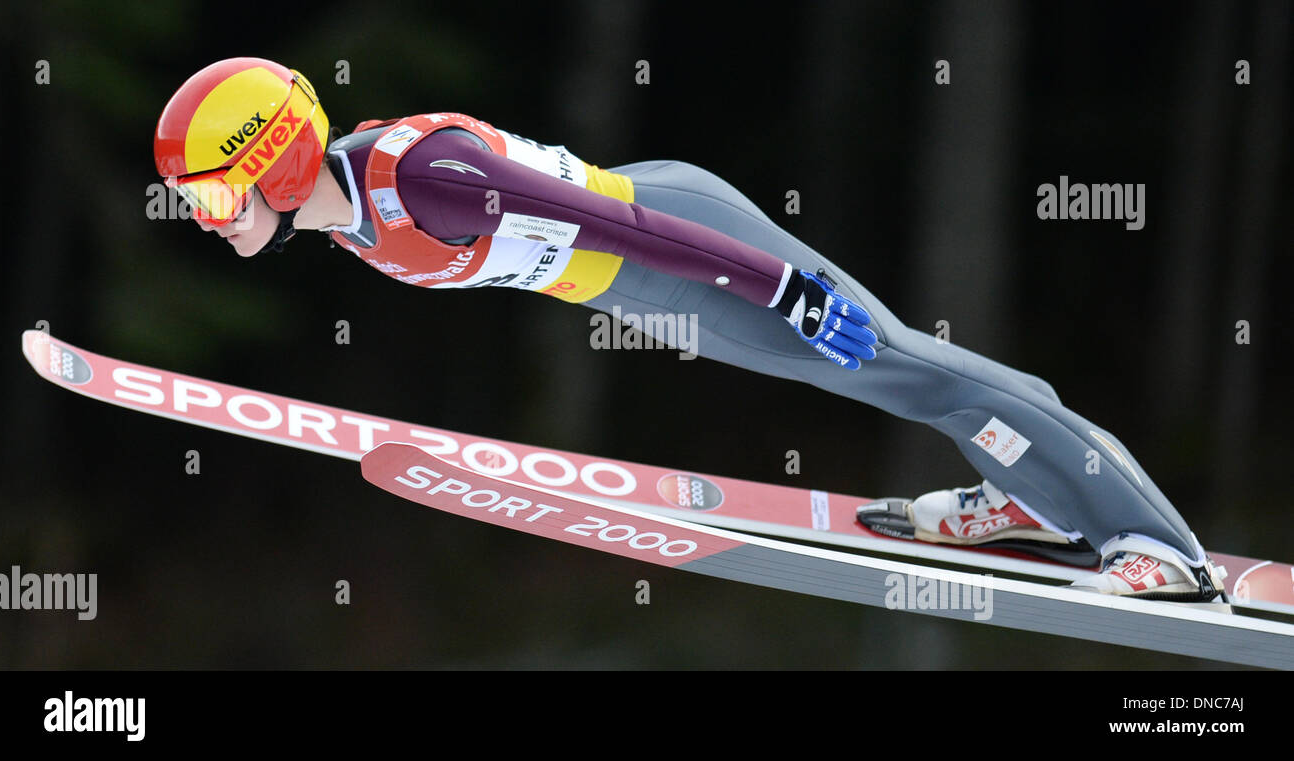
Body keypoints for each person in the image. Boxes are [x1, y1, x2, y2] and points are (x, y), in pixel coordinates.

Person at [154, 57, 1228, 603]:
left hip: (681, 243)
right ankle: (1035, 493)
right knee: (901, 372)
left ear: (277, 163)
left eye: (213, 198)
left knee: (897, 364)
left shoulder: (427, 182)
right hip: (647, 284)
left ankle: (1159, 545)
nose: (211, 222)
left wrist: (780, 286)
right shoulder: (351, 218)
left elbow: (624, 221)